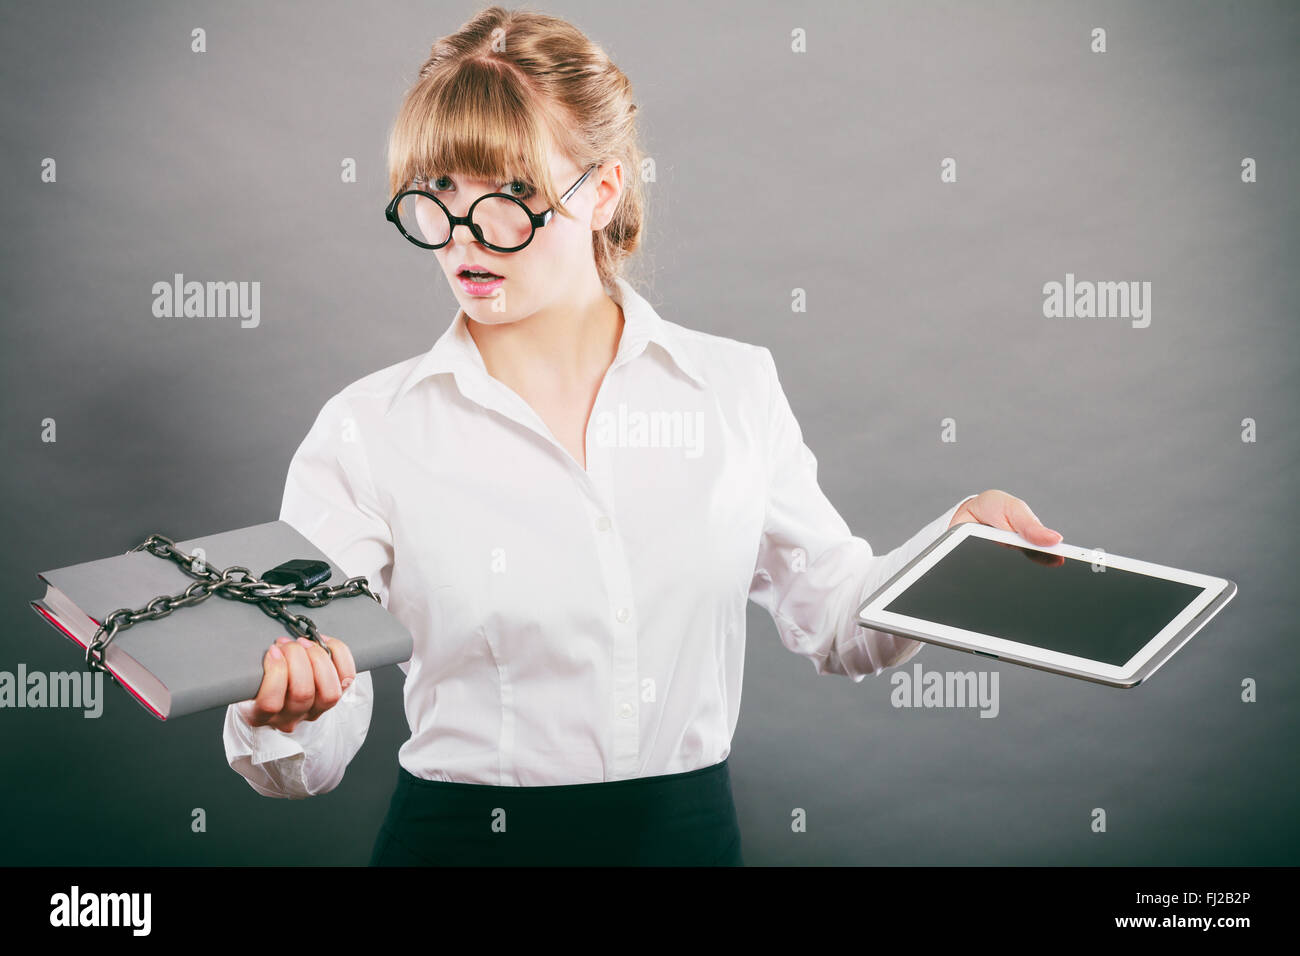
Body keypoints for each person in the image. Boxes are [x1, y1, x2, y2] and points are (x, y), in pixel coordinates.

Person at [222, 5, 1061, 867]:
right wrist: (285, 713)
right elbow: (310, 748)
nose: (464, 236)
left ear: (605, 189)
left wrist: (955, 547)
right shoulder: (369, 431)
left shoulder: (732, 389)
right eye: (436, 191)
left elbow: (841, 622)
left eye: (510, 194)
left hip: (687, 845)